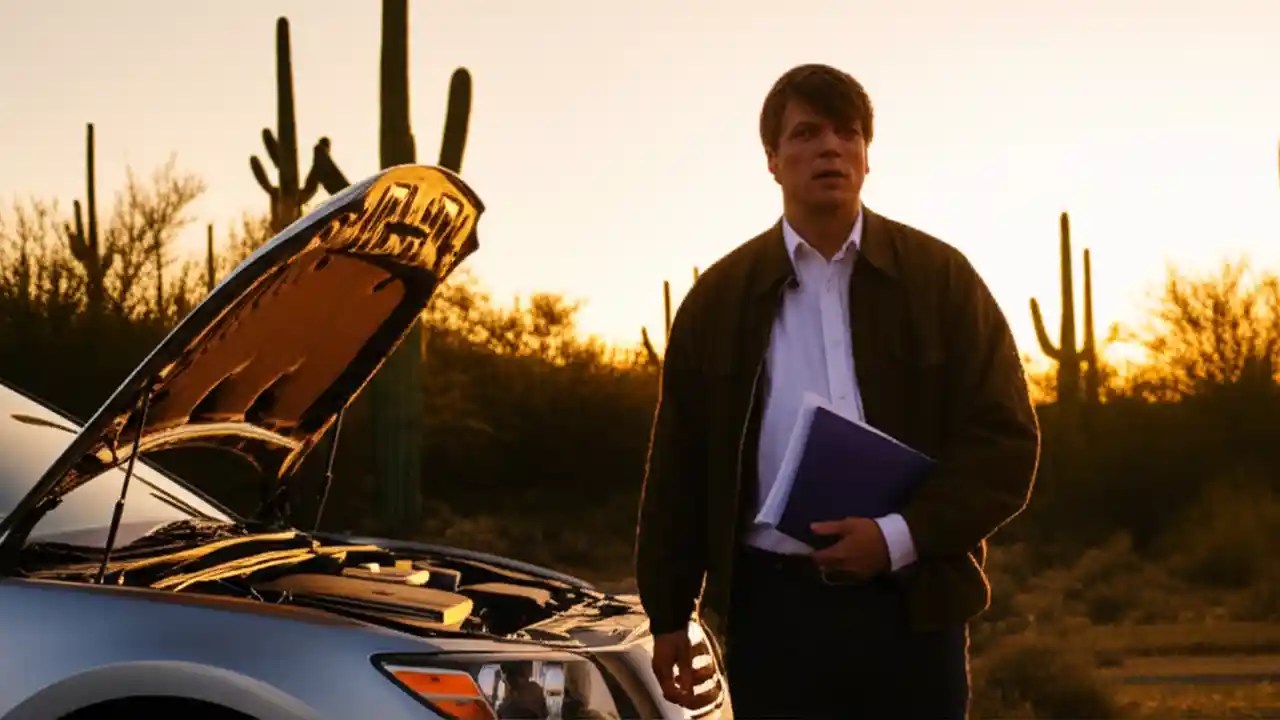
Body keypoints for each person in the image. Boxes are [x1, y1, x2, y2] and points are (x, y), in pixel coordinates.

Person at [633, 63, 1040, 718]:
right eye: (806, 133)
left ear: (867, 156)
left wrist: (899, 535)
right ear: (772, 159)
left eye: (848, 133)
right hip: (775, 616)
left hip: (913, 604)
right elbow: (677, 469)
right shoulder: (719, 300)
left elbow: (1005, 445)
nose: (830, 147)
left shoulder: (941, 280)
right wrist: (668, 615)